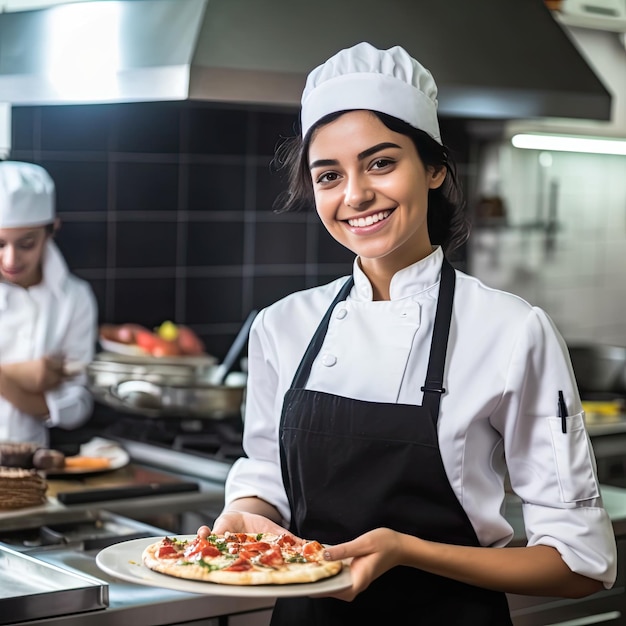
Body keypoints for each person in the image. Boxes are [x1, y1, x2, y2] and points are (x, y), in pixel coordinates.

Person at [199, 42, 617, 624]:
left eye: (380, 163)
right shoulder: (281, 326)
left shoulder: (512, 330)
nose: (354, 196)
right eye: (328, 175)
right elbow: (265, 480)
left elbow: (579, 565)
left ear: (435, 167)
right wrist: (244, 513)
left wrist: (406, 552)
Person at [0, 160, 98, 447]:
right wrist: (25, 377)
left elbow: (77, 406)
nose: (11, 260)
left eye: (26, 243)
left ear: (52, 230)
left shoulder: (75, 298)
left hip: (35, 465)